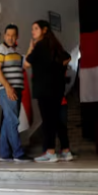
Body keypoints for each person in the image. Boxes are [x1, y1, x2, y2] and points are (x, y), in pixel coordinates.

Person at [25, 20, 72, 163]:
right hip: (57, 89)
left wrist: (30, 47)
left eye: (35, 29)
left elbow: (26, 63)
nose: (32, 31)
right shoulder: (54, 45)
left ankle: (50, 152)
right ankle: (66, 151)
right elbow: (68, 57)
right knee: (57, 120)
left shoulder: (40, 45)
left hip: (45, 90)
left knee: (48, 121)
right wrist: (56, 69)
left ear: (44, 30)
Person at [0, 24, 30, 163]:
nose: (10, 38)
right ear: (4, 36)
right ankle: (18, 154)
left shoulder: (17, 51)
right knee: (13, 120)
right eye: (8, 35)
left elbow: (26, 65)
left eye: (13, 35)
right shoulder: (0, 50)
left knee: (8, 121)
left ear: (17, 37)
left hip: (17, 89)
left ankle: (4, 154)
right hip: (7, 90)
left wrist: (32, 47)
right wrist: (7, 86)